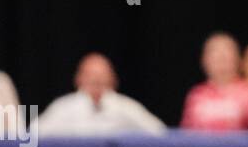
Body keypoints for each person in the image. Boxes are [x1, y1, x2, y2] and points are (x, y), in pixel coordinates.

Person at [36, 52, 166, 136]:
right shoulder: (62, 107)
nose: (96, 81)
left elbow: (159, 133)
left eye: (102, 76)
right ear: (78, 79)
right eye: (90, 75)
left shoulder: (126, 107)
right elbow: (33, 136)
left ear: (114, 80)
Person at [180, 33, 248, 132]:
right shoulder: (196, 95)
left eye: (225, 57)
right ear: (204, 60)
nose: (221, 63)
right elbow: (186, 134)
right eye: (216, 57)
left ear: (238, 60)